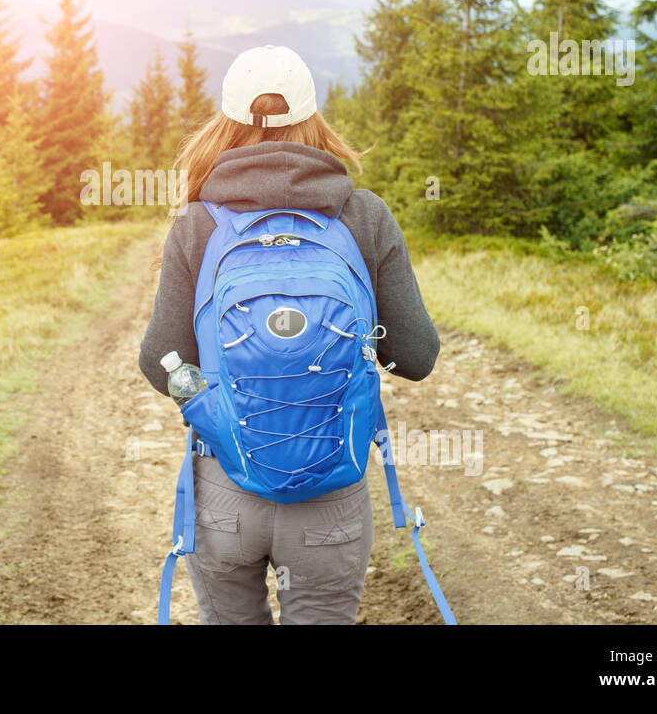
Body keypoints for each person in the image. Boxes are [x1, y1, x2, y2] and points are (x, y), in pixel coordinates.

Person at [138, 44, 440, 625]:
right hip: (331, 496)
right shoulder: (363, 214)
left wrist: (217, 408)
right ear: (313, 117)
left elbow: (159, 360)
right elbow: (417, 357)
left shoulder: (197, 222)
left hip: (224, 493)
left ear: (223, 120)